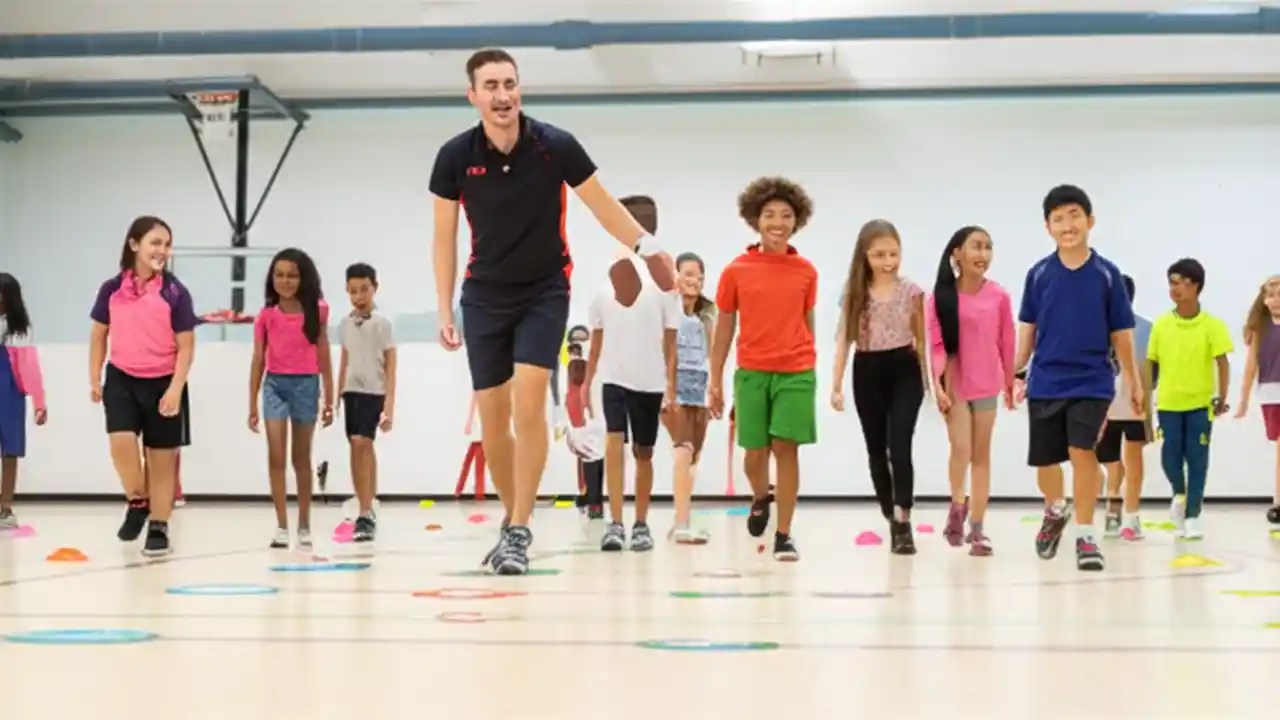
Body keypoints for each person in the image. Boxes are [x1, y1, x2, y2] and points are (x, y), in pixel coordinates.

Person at [429, 48, 674, 575]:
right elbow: (443, 238)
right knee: (493, 417)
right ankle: (511, 521)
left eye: (510, 84)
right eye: (491, 86)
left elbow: (602, 203)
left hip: (544, 290)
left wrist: (648, 247)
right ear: (472, 95)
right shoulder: (454, 157)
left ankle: (519, 529)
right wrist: (444, 308)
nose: (503, 95)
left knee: (529, 400)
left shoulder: (554, 145)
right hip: (483, 295)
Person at [1015, 185, 1139, 572]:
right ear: (1047, 227)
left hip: (1092, 380)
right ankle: (1055, 510)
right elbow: (1028, 328)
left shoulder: (1107, 274)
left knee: (1082, 451)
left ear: (1090, 221)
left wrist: (1133, 380)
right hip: (1046, 380)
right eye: (1058, 218)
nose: (1067, 225)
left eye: (1074, 216)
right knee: (1045, 462)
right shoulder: (1038, 274)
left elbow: (1122, 332)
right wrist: (1016, 372)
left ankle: (1086, 536)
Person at [709, 176, 818, 562]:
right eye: (769, 214)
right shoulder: (736, 270)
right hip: (752, 372)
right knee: (755, 453)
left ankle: (784, 535)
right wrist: (715, 378)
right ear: (755, 219)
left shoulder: (806, 271)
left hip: (796, 372)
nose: (778, 223)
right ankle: (761, 496)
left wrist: (809, 362)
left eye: (786, 215)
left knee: (786, 448)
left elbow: (808, 322)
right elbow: (724, 327)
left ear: (797, 220)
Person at [89, 216, 198, 557]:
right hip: (121, 377)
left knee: (160, 459)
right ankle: (138, 500)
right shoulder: (111, 290)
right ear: (135, 244)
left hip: (163, 380)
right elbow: (98, 335)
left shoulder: (175, 292)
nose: (162, 250)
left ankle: (159, 525)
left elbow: (186, 345)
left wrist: (176, 387)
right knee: (121, 446)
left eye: (167, 244)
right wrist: (94, 377)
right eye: (155, 242)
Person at [584, 197, 679, 552]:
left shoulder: (664, 285)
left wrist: (670, 387)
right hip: (613, 379)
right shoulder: (606, 283)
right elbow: (597, 337)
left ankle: (640, 523)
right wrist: (586, 383)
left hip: (650, 381)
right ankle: (615, 523)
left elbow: (671, 341)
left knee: (643, 452)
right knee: (613, 446)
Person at [833, 219, 928, 555]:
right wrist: (836, 385)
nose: (888, 261)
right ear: (865, 256)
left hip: (905, 370)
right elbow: (843, 339)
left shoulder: (912, 291)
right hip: (868, 370)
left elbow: (923, 340)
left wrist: (933, 384)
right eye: (879, 255)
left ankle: (903, 519)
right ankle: (889, 512)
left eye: (893, 254)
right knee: (877, 450)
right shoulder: (854, 292)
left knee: (900, 446)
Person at [925, 226, 1015, 557]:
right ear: (957, 254)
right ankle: (957, 504)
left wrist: (1011, 381)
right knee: (961, 449)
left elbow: (1007, 340)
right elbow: (933, 346)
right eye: (976, 246)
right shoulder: (939, 298)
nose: (983, 254)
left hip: (988, 381)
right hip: (956, 384)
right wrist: (937, 385)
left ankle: (977, 528)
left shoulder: (999, 296)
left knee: (981, 455)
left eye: (988, 247)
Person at [249, 248, 335, 551]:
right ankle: (282, 524)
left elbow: (323, 352)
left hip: (306, 385)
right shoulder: (266, 316)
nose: (285, 281)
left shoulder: (318, 311)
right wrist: (251, 403)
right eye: (280, 275)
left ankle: (304, 524)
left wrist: (329, 397)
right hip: (275, 386)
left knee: (301, 457)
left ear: (304, 278)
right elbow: (258, 359)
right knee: (276, 454)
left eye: (292, 276)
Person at [1147, 258, 1232, 540]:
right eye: (1172, 282)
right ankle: (1179, 494)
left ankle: (1193, 515)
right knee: (1170, 457)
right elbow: (1151, 363)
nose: (1175, 288)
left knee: (1197, 460)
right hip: (1169, 404)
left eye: (1182, 282)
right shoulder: (1161, 324)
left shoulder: (1213, 325)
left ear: (1196, 286)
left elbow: (1222, 362)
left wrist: (1222, 396)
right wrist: (1144, 397)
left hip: (1200, 404)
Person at [337, 262, 396, 543]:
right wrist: (335, 396)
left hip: (374, 391)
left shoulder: (382, 324)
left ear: (375, 288)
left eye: (364, 289)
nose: (359, 296)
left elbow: (391, 365)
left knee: (363, 442)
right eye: (353, 291)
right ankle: (365, 502)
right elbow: (344, 359)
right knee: (357, 445)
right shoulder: (345, 324)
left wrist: (389, 405)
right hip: (351, 391)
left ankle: (365, 510)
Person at [662, 252, 717, 544]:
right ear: (676, 277)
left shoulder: (707, 314)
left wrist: (715, 390)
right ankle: (682, 523)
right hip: (676, 390)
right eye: (688, 274)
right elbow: (664, 351)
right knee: (682, 452)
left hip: (700, 391)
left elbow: (713, 354)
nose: (695, 280)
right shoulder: (668, 311)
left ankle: (680, 521)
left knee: (693, 458)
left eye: (699, 275)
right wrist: (667, 391)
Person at [1097, 274, 1154, 540]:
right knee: (1110, 462)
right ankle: (1113, 509)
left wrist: (1145, 392)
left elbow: (1155, 369)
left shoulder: (1146, 329)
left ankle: (1131, 517)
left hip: (1135, 406)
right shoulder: (1096, 328)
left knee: (1133, 461)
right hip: (1103, 407)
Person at [0, 273, 46, 529]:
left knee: (10, 449)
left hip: (9, 391)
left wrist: (39, 402)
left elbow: (30, 367)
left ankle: (5, 508)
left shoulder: (19, 329)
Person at [1235, 274, 1280, 530]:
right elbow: (1251, 365)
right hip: (1271, 394)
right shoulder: (1260, 329)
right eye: (1270, 295)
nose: (1275, 300)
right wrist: (1243, 400)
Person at [565, 341, 605, 518]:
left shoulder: (574, 367)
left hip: (582, 418)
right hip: (590, 417)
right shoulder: (589, 368)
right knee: (596, 458)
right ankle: (595, 502)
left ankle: (591, 501)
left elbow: (578, 392)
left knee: (588, 459)